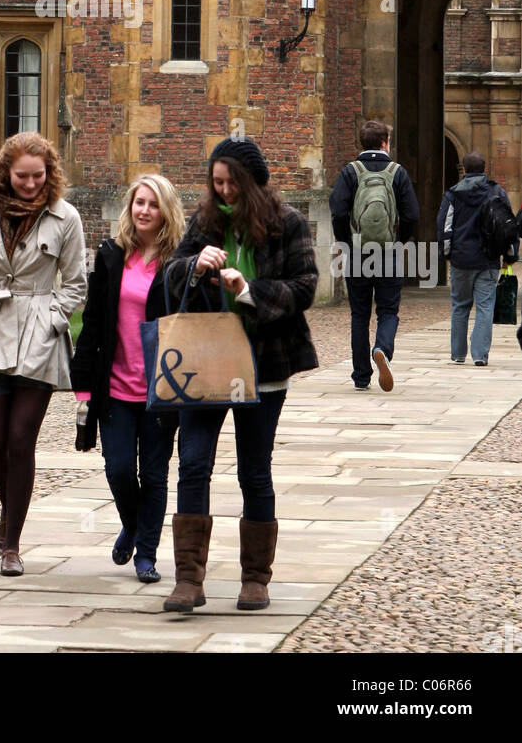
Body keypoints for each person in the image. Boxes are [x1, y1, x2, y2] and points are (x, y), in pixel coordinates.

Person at [155, 137, 318, 614]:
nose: (223, 190)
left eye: (231, 182)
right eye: (216, 182)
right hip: (204, 361)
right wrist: (192, 265)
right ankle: (188, 579)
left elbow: (305, 286)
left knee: (254, 468)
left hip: (264, 363)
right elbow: (170, 272)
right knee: (193, 462)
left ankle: (255, 579)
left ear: (251, 182)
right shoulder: (204, 221)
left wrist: (248, 290)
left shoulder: (287, 223)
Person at [0, 131, 87, 576]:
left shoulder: (65, 217)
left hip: (39, 336)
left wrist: (53, 318)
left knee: (19, 441)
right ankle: (10, 511)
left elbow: (75, 283)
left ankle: (11, 544)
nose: (31, 184)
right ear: (5, 174)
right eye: (22, 176)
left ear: (50, 173)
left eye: (39, 175)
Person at [70, 175, 186, 583]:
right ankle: (133, 525)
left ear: (166, 211)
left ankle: (147, 555)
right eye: (139, 202)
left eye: (153, 204)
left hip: (161, 389)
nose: (144, 211)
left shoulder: (177, 262)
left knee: (154, 474)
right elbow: (93, 323)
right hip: (116, 387)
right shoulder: (111, 256)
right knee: (119, 468)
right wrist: (82, 385)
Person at [329, 119, 419, 393]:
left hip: (358, 251)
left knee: (359, 314)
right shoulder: (397, 172)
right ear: (384, 143)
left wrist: (347, 242)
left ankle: (361, 376)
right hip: (388, 251)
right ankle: (382, 348)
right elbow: (412, 214)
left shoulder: (350, 172)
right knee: (388, 310)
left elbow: (339, 212)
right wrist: (399, 241)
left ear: (362, 143)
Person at [437, 151, 515, 367]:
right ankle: (480, 355)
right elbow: (507, 226)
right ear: (484, 169)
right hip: (488, 259)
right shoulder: (496, 192)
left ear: (464, 170)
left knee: (460, 306)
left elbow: (444, 228)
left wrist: (447, 254)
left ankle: (458, 354)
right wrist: (509, 256)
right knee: (485, 306)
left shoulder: (452, 195)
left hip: (461, 259)